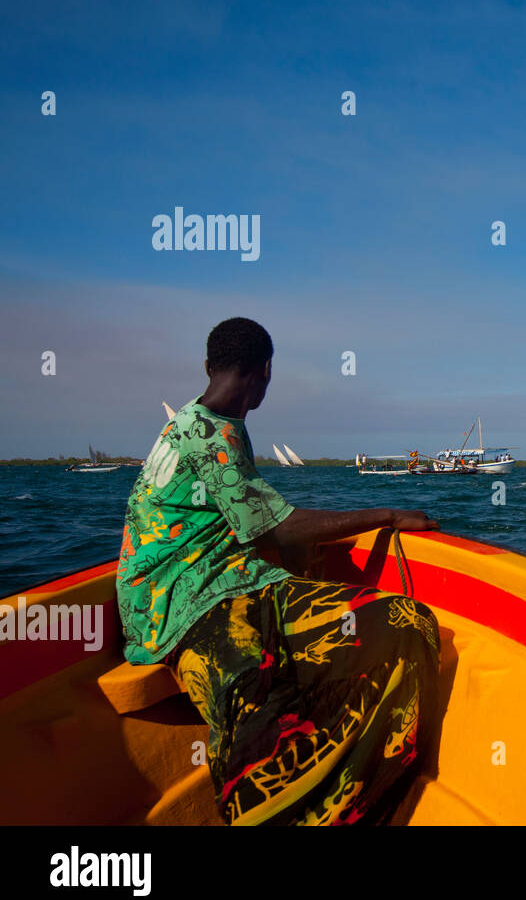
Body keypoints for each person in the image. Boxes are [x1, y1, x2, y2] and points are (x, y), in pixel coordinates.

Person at [116, 318, 441, 826]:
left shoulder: (206, 423)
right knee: (254, 701)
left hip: (230, 583)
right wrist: (388, 515)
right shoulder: (209, 436)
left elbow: (253, 526)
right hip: (178, 605)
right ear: (267, 371)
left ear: (209, 366)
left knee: (403, 621)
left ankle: (341, 800)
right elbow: (281, 524)